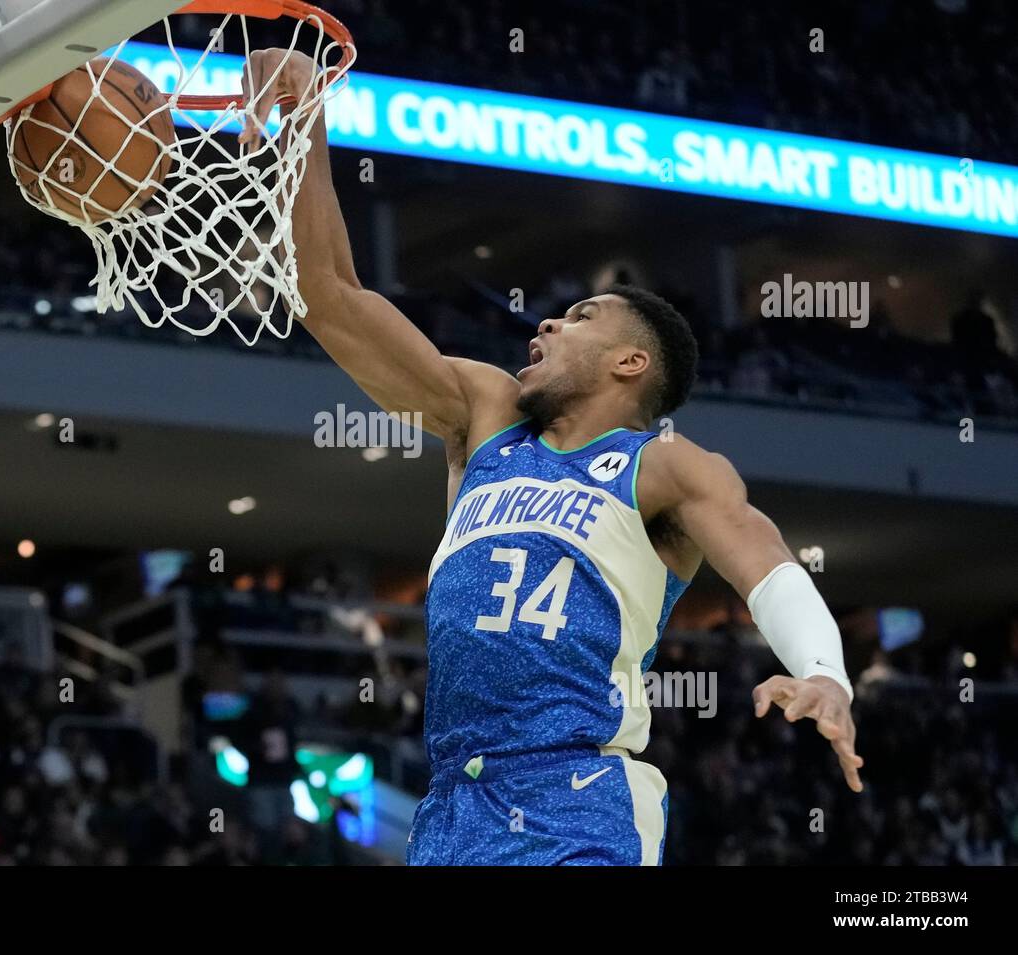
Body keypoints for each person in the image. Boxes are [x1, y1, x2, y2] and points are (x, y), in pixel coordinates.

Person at [239, 49, 864, 866]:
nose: (545, 326)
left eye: (578, 316)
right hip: (453, 806)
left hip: (578, 797)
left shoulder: (666, 469)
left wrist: (824, 671)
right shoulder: (485, 415)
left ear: (630, 363)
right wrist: (304, 118)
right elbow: (328, 294)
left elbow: (763, 559)